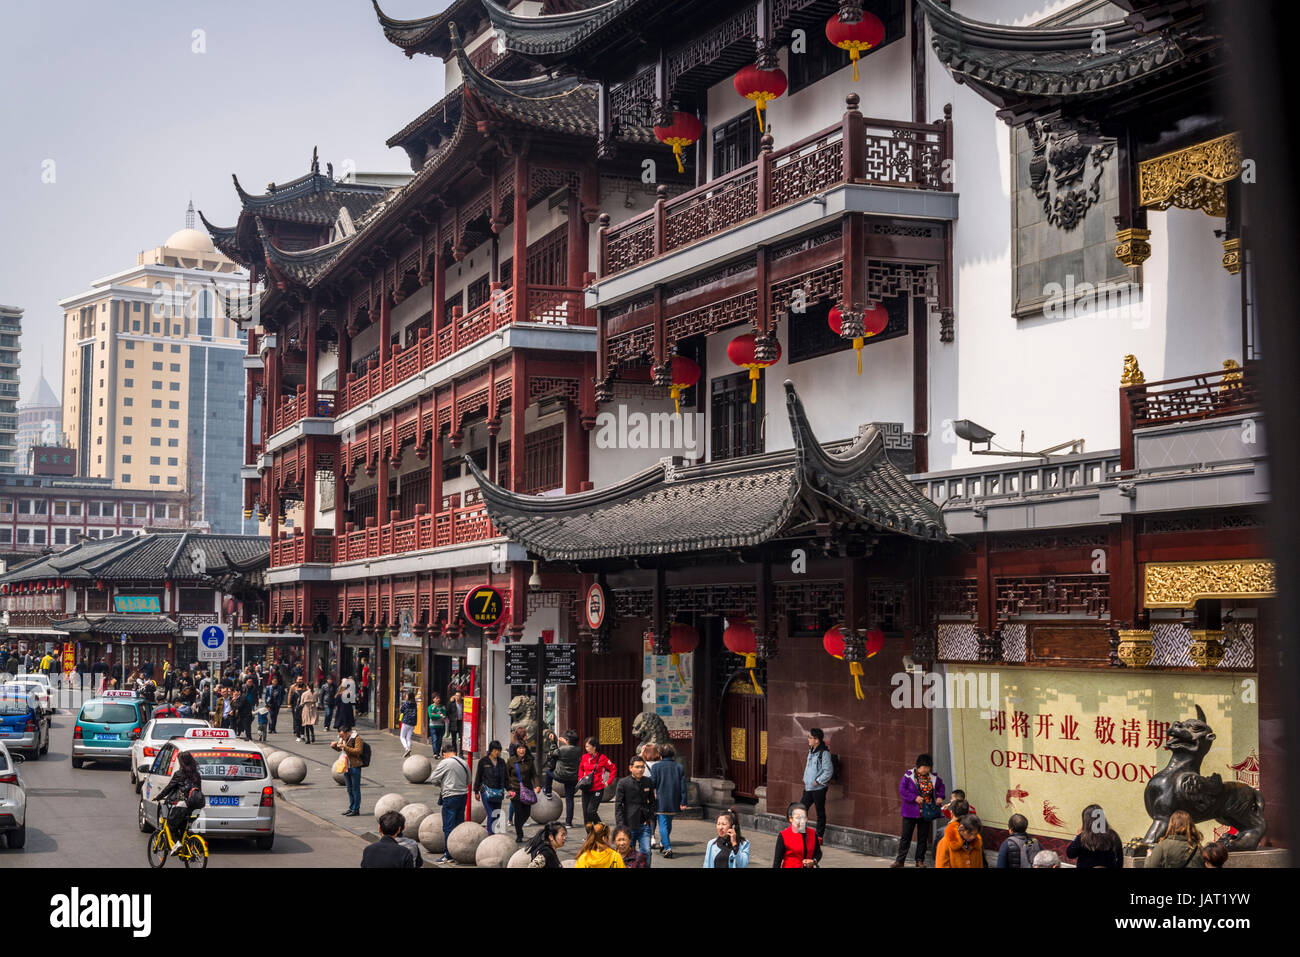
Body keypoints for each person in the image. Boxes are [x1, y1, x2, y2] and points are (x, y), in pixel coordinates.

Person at [893, 753, 945, 868]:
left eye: (928, 767)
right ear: (918, 766)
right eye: (923, 767)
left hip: (926, 813)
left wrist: (940, 796)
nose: (925, 769)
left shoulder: (934, 778)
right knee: (905, 837)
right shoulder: (908, 776)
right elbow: (902, 790)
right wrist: (914, 798)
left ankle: (919, 861)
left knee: (923, 838)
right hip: (910, 812)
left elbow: (941, 787)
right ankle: (900, 861)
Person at [154, 751, 204, 855]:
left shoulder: (179, 774)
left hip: (182, 806)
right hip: (195, 807)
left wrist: (158, 797)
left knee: (170, 825)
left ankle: (177, 845)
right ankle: (185, 850)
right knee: (182, 827)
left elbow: (169, 788)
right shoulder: (197, 775)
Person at [429, 742, 470, 864]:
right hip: (463, 796)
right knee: (458, 824)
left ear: (444, 753)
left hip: (450, 796)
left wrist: (441, 784)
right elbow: (469, 780)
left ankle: (448, 853)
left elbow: (433, 778)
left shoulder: (445, 762)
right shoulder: (464, 762)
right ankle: (458, 851)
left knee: (448, 826)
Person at [614, 755, 656, 866]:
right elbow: (618, 804)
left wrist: (650, 816)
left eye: (642, 767)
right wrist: (620, 825)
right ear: (630, 768)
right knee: (628, 853)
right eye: (637, 767)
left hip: (644, 824)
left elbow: (652, 801)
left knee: (647, 851)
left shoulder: (648, 782)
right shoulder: (623, 783)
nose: (640, 770)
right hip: (628, 825)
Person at [650, 741, 687, 859]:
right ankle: (664, 843)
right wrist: (683, 802)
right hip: (674, 799)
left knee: (663, 824)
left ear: (660, 754)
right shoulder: (679, 767)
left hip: (660, 800)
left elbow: (653, 783)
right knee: (668, 823)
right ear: (673, 754)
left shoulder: (656, 767)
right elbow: (683, 786)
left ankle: (668, 848)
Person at [576, 736, 618, 832]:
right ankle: (590, 835)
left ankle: (602, 829)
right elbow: (581, 769)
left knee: (591, 811)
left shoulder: (602, 758)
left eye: (588, 746)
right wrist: (580, 779)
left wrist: (608, 782)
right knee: (586, 814)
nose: (586, 749)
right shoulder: (584, 757)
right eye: (585, 747)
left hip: (597, 789)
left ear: (594, 747)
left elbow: (613, 769)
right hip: (586, 788)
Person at [1066, 804, 1125, 868]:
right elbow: (1120, 858)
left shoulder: (1082, 837)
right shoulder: (1113, 835)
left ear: (1086, 821)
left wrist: (1077, 835)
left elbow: (1070, 854)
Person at [543, 730, 582, 827]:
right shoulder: (578, 750)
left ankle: (548, 792)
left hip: (560, 776)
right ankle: (568, 822)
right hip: (573, 777)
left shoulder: (563, 749)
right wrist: (564, 742)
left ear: (567, 740)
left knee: (548, 772)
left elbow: (552, 753)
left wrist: (553, 742)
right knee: (569, 799)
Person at [800, 728, 833, 839]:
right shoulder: (811, 750)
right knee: (801, 810)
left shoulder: (824, 753)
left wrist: (818, 781)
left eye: (810, 737)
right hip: (808, 787)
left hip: (819, 788)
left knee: (820, 812)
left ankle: (819, 836)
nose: (808, 739)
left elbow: (828, 771)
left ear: (817, 740)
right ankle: (801, 833)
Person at [505, 741, 540, 843]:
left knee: (526, 813)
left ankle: (518, 825)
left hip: (527, 790)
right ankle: (519, 834)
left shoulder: (529, 760)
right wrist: (509, 789)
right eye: (519, 748)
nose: (521, 750)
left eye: (523, 748)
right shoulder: (511, 761)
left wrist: (537, 785)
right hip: (515, 790)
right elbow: (506, 776)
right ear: (516, 750)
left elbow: (534, 774)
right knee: (518, 812)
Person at [474, 741, 509, 835]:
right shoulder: (483, 761)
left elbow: (506, 777)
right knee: (490, 814)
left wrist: (509, 789)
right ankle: (490, 835)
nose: (497, 753)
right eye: (495, 750)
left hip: (498, 792)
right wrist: (476, 791)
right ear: (490, 750)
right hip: (486, 791)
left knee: (496, 814)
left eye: (499, 751)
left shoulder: (501, 762)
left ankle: (489, 830)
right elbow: (478, 776)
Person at [773, 802, 822, 869]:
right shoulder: (784, 835)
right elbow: (777, 862)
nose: (802, 821)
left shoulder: (812, 833)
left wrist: (813, 861)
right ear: (791, 819)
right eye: (798, 818)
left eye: (804, 817)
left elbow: (818, 853)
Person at [331, 726, 364, 817]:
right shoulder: (344, 739)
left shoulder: (357, 738)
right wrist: (334, 746)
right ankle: (351, 807)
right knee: (349, 788)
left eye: (342, 736)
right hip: (346, 766)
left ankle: (356, 809)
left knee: (355, 788)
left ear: (347, 733)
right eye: (340, 736)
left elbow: (358, 751)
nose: (341, 738)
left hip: (355, 766)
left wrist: (345, 747)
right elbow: (340, 748)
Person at [398, 691, 419, 758]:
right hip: (412, 723)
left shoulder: (406, 704)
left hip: (406, 722)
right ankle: (409, 750)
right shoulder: (415, 704)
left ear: (409, 697)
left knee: (402, 737)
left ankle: (406, 748)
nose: (405, 696)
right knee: (408, 738)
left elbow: (401, 710)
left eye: (406, 695)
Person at [426, 692, 447, 756]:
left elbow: (444, 715)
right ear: (433, 699)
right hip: (433, 726)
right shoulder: (430, 707)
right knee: (434, 739)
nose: (438, 699)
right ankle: (435, 753)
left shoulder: (442, 707)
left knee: (440, 740)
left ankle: (437, 752)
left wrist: (436, 715)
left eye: (439, 698)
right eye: (436, 698)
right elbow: (431, 716)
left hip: (441, 726)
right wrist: (440, 715)